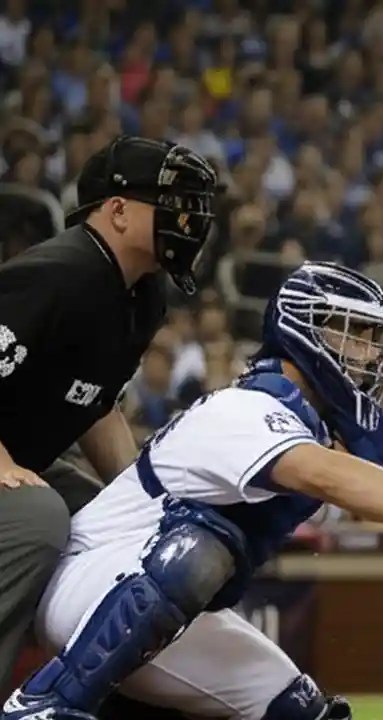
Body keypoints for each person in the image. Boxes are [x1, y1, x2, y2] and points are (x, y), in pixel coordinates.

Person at [2, 262, 383, 720]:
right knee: (200, 551)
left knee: (299, 708)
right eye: (355, 332)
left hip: (162, 604)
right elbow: (332, 477)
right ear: (304, 333)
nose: (369, 351)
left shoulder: (324, 419)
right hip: (90, 582)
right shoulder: (246, 408)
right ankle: (43, 705)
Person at [0, 136, 218, 692]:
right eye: (170, 202)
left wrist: (144, 495)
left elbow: (97, 405)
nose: (187, 218)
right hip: (10, 461)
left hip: (30, 460)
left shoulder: (142, 298)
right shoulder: (57, 272)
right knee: (39, 518)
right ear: (117, 211)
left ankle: (107, 695)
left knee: (141, 531)